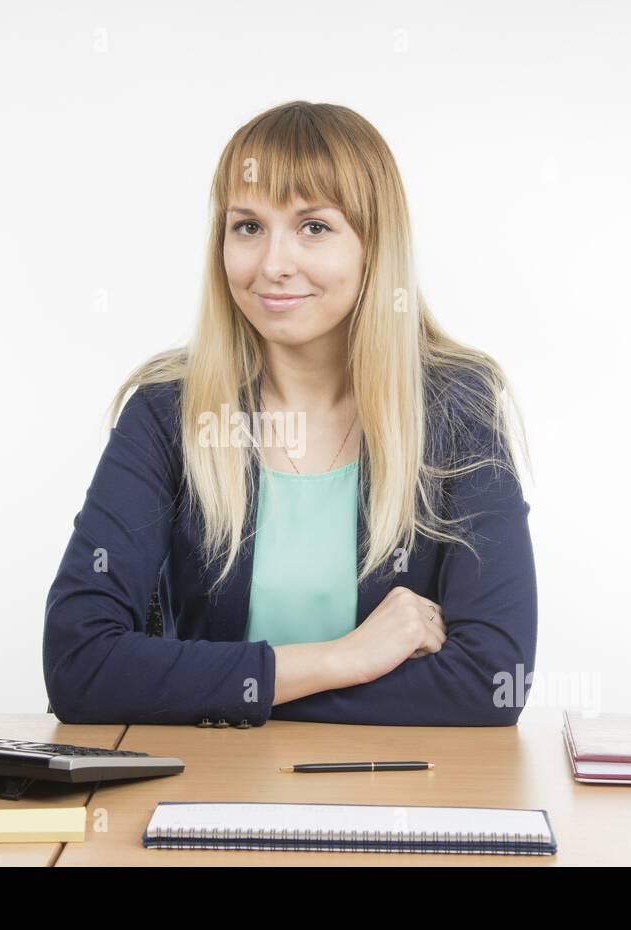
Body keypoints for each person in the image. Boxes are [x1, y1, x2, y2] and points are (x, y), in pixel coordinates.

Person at [44, 100, 537, 727]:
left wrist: (216, 688)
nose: (273, 264)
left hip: (398, 801)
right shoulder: (167, 414)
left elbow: (491, 682)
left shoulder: (457, 411)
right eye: (248, 226)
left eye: (314, 227)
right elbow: (78, 667)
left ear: (373, 248)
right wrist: (344, 659)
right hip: (210, 798)